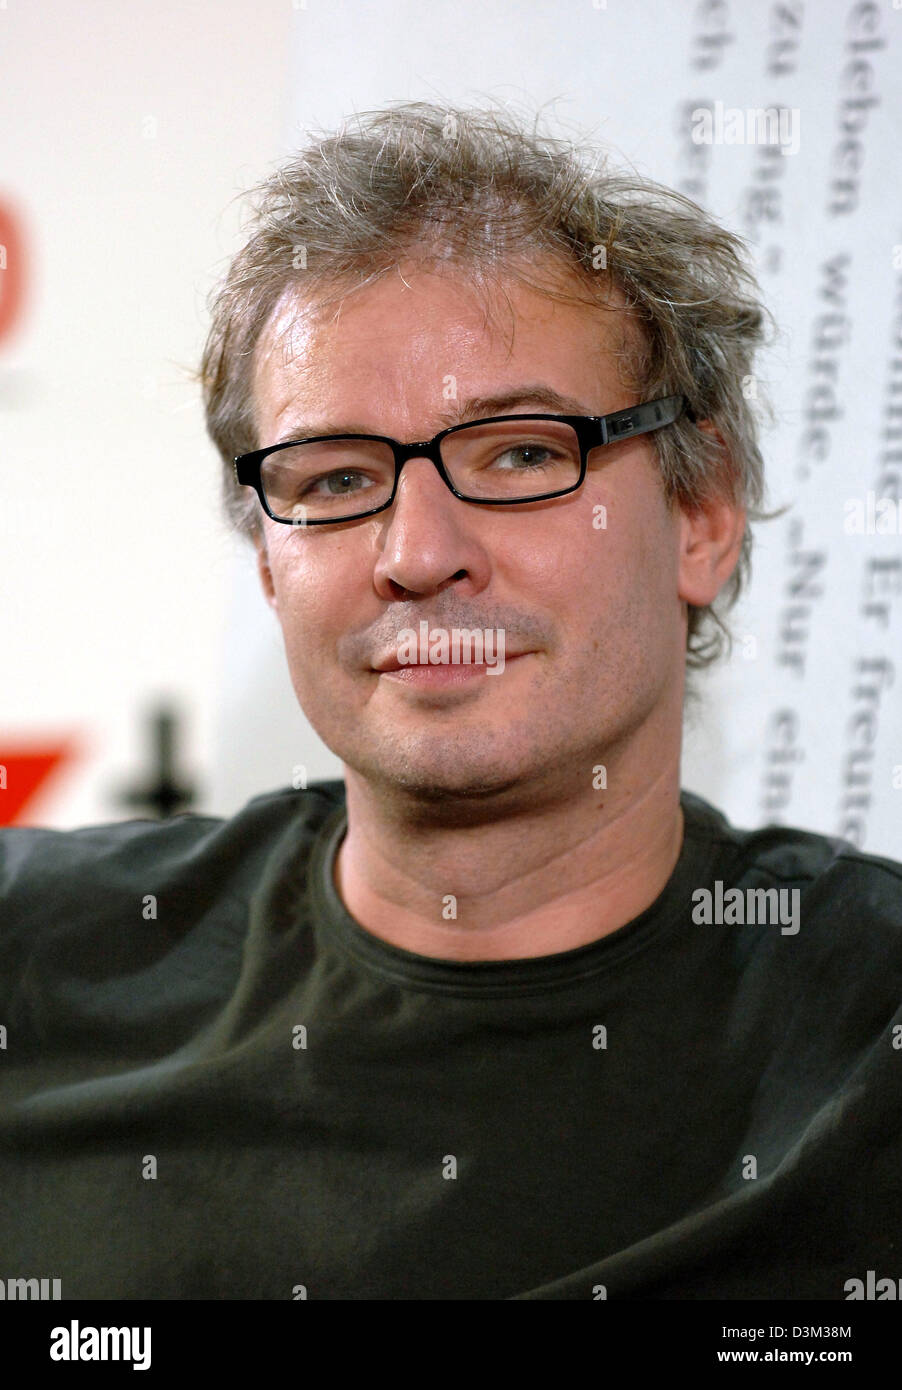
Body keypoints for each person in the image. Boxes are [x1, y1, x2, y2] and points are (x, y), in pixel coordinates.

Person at [1, 103, 900, 1302]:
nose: (419, 551)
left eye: (520, 453)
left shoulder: (865, 1041)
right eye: (336, 476)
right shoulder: (32, 957)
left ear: (701, 514)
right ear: (268, 561)